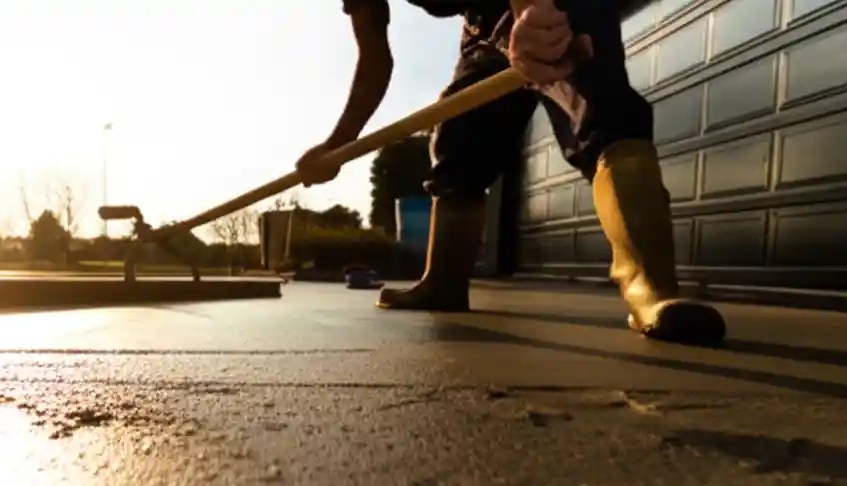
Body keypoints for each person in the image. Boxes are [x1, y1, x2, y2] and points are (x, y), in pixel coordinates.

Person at [296, 0, 726, 345]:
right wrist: (337, 147)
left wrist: (531, 12)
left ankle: (651, 288)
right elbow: (374, 61)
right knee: (456, 140)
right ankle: (443, 282)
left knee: (601, 107)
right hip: (484, 28)